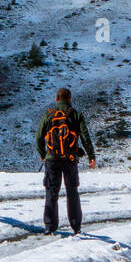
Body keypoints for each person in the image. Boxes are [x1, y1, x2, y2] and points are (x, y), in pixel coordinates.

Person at [35, 87, 96, 235]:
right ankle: (76, 227)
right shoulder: (76, 115)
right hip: (70, 159)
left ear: (57, 99)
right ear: (70, 99)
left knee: (51, 192)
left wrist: (43, 154)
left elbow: (38, 137)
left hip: (52, 159)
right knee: (72, 192)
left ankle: (50, 226)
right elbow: (85, 137)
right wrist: (91, 156)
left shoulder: (49, 115)